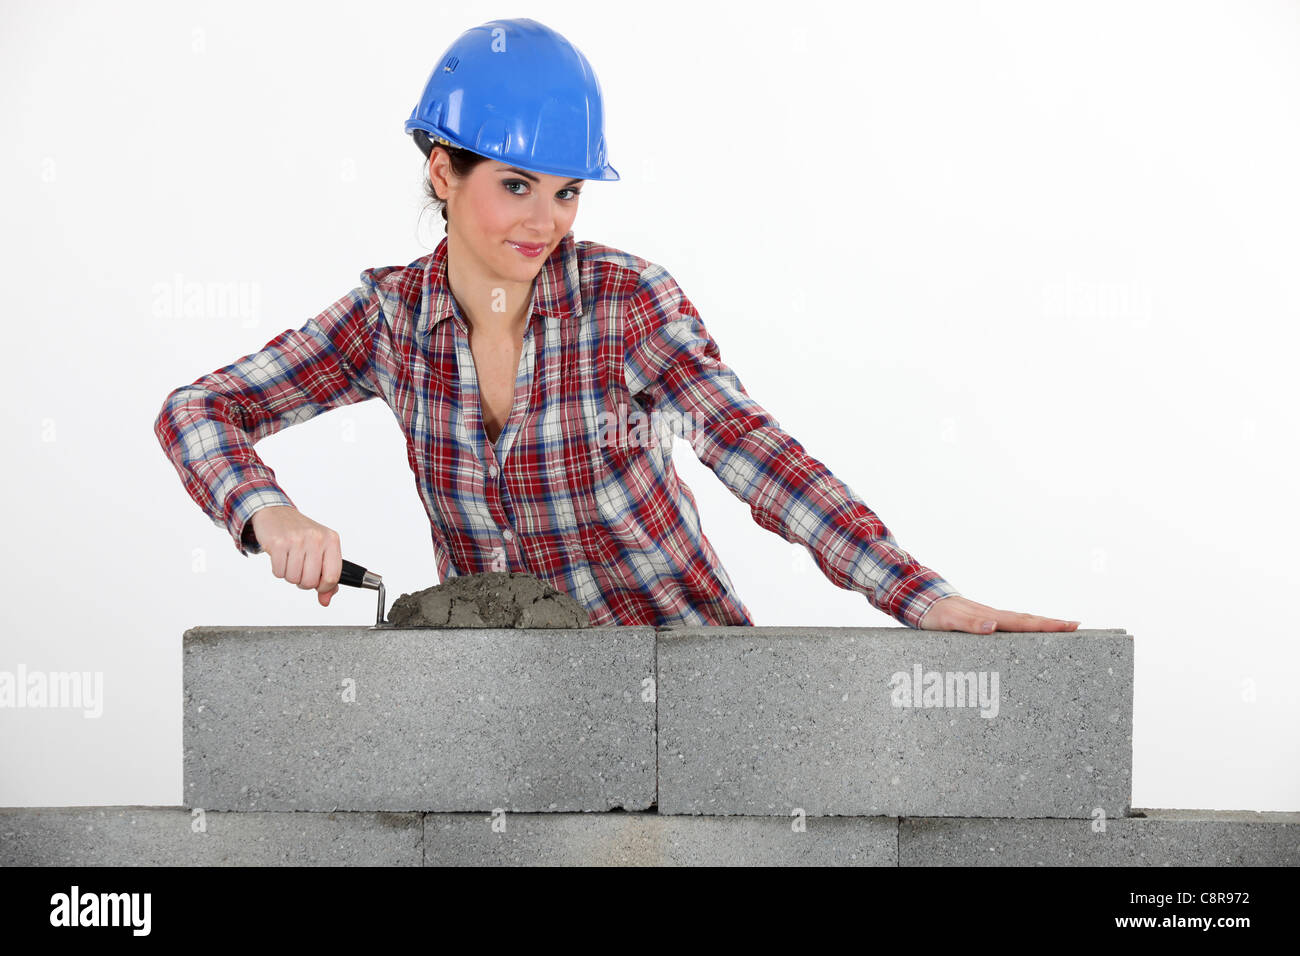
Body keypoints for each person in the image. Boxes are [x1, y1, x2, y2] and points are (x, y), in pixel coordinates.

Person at [153, 17, 1079, 635]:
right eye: (515, 186)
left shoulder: (626, 304)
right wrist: (266, 513)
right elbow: (197, 412)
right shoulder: (390, 321)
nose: (545, 222)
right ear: (442, 173)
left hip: (690, 685)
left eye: (565, 193)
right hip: (528, 720)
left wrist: (922, 599)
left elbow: (757, 454)